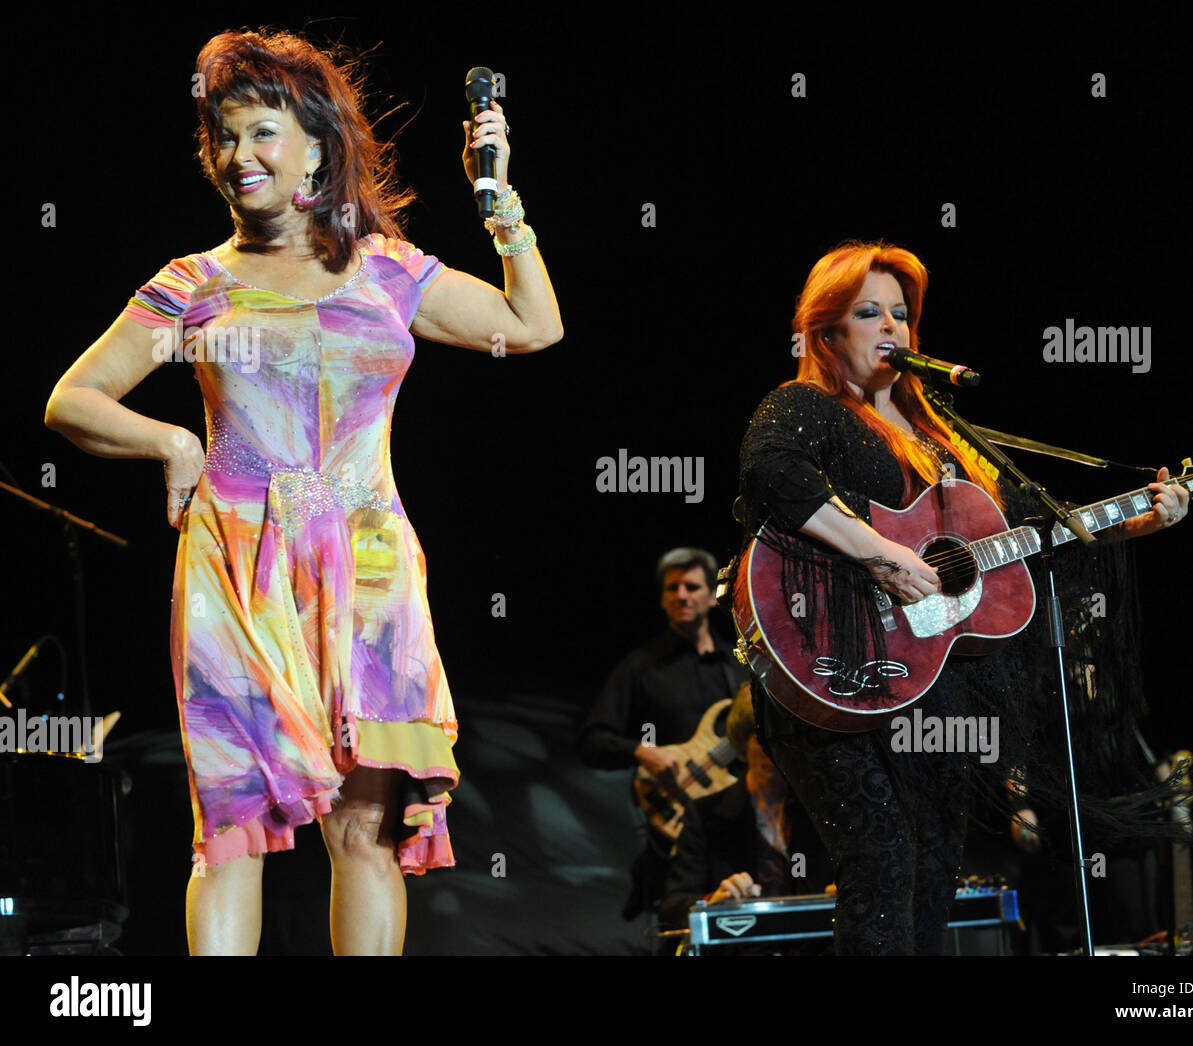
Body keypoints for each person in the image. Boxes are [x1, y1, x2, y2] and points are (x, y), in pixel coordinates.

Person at [43, 30, 562, 956]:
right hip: (239, 566)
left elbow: (533, 326)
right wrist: (168, 442)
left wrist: (497, 194)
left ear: (317, 147)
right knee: (234, 826)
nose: (239, 158)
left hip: (367, 569)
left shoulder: (391, 271)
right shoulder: (194, 285)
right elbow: (71, 401)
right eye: (224, 138)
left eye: (262, 134)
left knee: (364, 829)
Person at [735, 241, 1188, 955]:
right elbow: (773, 475)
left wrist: (1133, 519)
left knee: (932, 870)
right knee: (880, 865)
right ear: (825, 331)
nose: (892, 329)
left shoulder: (948, 440)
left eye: (902, 315)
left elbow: (1032, 534)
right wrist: (881, 553)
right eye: (868, 313)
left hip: (934, 687)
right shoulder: (806, 407)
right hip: (830, 665)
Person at [578, 547, 750, 922]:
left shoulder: (739, 667)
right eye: (672, 588)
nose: (681, 596)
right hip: (672, 831)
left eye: (691, 586)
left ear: (711, 595)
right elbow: (592, 740)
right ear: (661, 598)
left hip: (735, 824)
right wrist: (643, 752)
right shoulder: (641, 667)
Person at [660, 684, 835, 937]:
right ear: (742, 741)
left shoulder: (819, 810)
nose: (773, 753)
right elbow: (671, 907)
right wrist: (713, 901)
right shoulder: (705, 815)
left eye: (784, 740)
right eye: (762, 739)